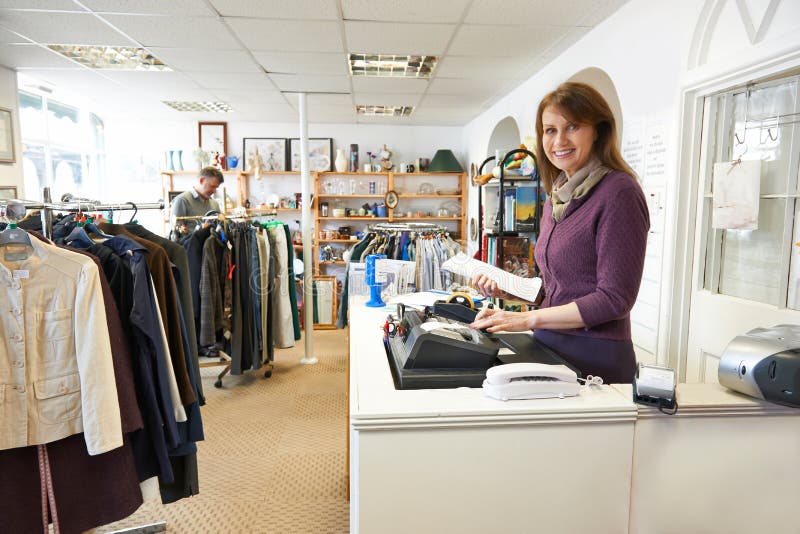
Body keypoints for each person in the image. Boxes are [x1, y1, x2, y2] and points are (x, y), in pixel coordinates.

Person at [471, 82, 649, 383]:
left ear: (598, 131)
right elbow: (557, 290)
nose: (559, 140)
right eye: (550, 130)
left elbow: (614, 299)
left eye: (573, 127)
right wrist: (507, 289)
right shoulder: (558, 195)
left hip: (595, 359)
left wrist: (526, 319)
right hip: (550, 347)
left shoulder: (619, 192)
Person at [170, 166, 224, 237]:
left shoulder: (215, 204)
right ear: (201, 180)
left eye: (216, 188)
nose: (214, 191)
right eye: (212, 186)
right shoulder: (182, 201)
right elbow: (175, 236)